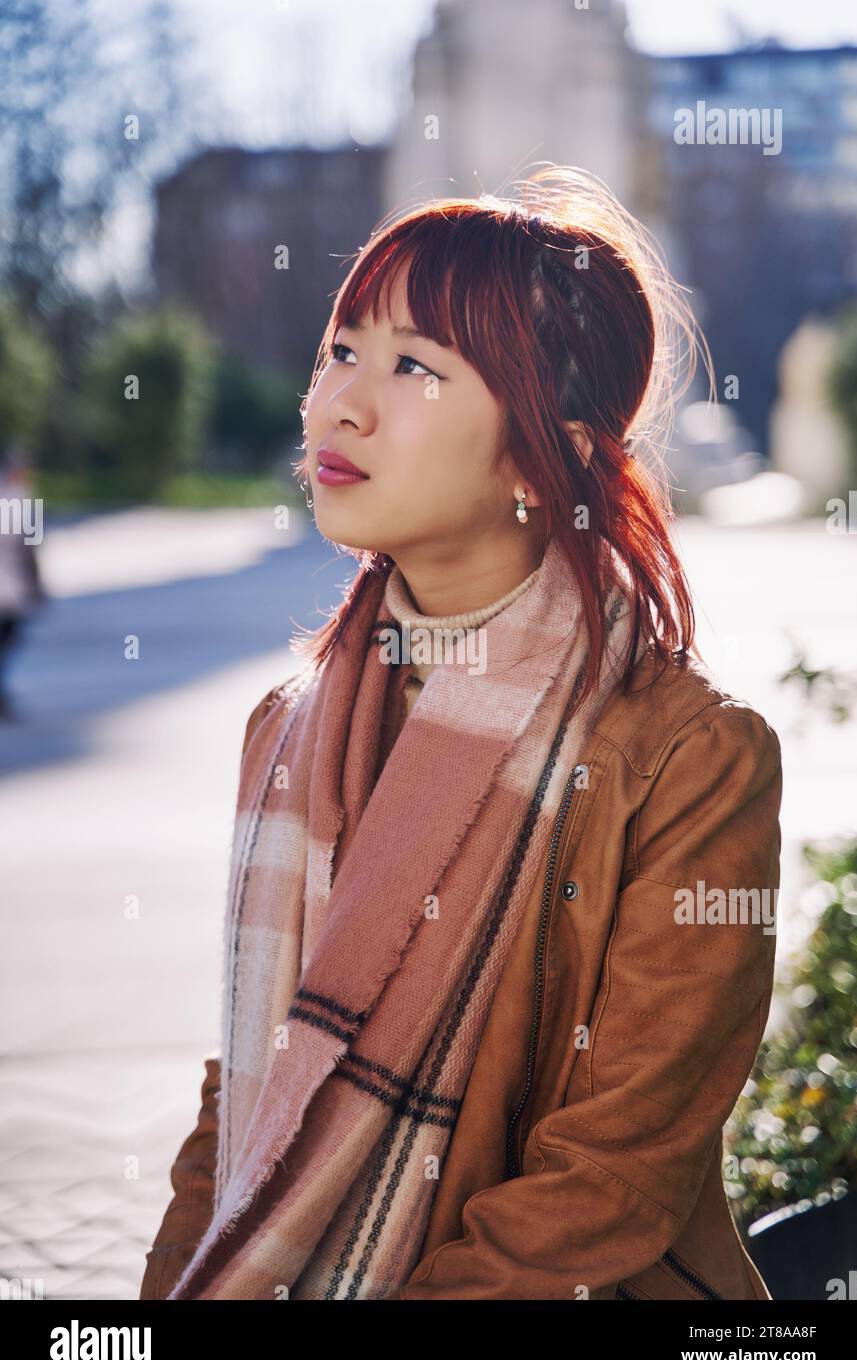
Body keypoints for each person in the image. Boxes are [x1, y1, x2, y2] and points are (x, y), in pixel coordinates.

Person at [140, 166, 782, 1301]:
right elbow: (244, 1092)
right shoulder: (288, 729)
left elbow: (611, 1175)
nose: (341, 403)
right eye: (341, 348)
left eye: (414, 369)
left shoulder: (688, 757)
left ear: (547, 447)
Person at [0, 443, 45, 720]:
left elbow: (32, 547)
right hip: (10, 581)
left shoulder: (27, 499)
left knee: (10, 636)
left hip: (11, 581)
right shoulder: (24, 500)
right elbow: (31, 548)